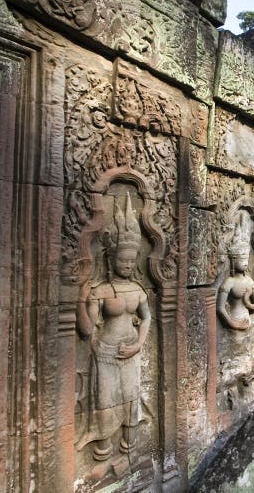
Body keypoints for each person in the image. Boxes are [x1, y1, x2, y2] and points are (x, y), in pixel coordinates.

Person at [75, 194, 151, 472]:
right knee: (105, 404)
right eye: (123, 260)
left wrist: (139, 344)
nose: (128, 265)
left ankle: (128, 453)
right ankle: (103, 457)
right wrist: (81, 301)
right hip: (105, 355)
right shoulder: (101, 291)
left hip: (130, 355)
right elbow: (85, 330)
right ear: (112, 259)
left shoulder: (139, 290)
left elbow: (147, 318)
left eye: (132, 261)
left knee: (131, 402)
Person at [216, 251, 254, 331]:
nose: (246, 263)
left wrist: (248, 304)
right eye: (242, 260)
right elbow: (220, 308)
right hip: (233, 321)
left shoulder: (249, 281)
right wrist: (235, 324)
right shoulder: (229, 282)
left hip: (248, 322)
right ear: (233, 261)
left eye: (246, 260)